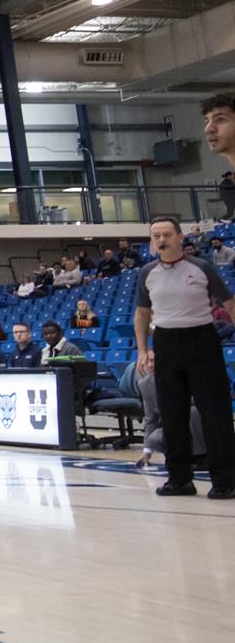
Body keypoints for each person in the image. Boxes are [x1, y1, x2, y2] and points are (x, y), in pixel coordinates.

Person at [134, 214, 234, 499]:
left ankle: (225, 480)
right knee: (172, 414)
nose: (162, 240)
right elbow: (142, 314)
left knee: (215, 412)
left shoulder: (201, 267)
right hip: (166, 342)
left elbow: (229, 303)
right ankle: (179, 479)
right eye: (156, 236)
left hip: (202, 339)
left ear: (180, 237)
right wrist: (143, 350)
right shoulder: (147, 273)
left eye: (167, 234)